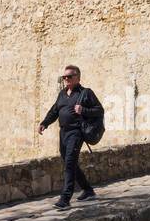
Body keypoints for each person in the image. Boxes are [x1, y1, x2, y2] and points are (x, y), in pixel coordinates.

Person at [39, 65, 103, 210]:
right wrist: (45, 123)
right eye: (64, 77)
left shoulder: (86, 93)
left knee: (69, 163)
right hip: (63, 133)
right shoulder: (62, 94)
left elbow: (99, 110)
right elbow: (55, 110)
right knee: (70, 163)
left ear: (77, 78)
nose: (66, 79)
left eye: (69, 76)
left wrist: (83, 110)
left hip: (76, 132)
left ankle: (65, 199)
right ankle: (87, 190)